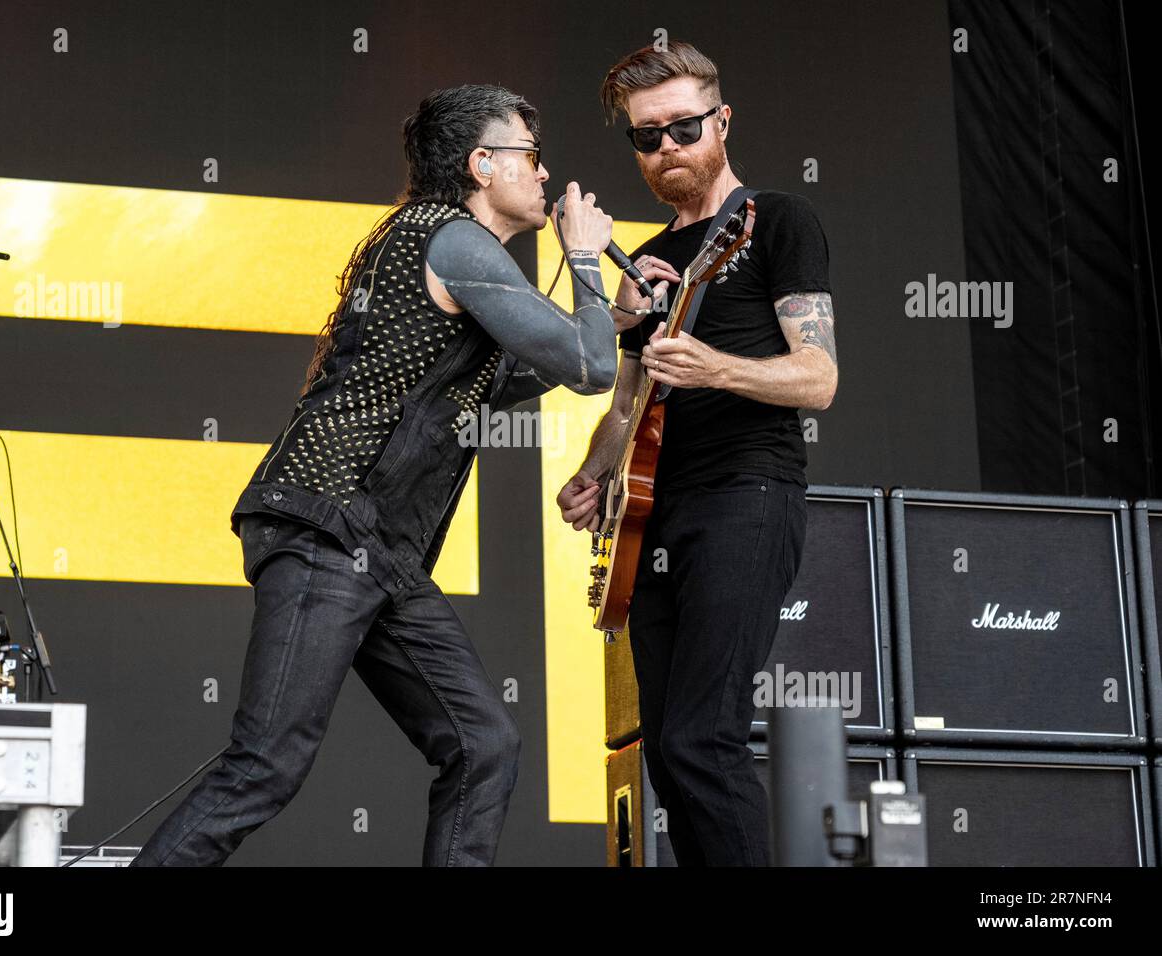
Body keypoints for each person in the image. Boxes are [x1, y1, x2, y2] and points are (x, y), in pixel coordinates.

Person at [132, 84, 618, 866]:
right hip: (330, 523)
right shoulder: (455, 241)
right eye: (529, 153)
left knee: (482, 745)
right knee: (263, 768)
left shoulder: (448, 247)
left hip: (377, 550)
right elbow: (592, 368)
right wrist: (586, 261)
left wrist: (608, 315)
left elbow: (506, 379)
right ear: (482, 164)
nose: (543, 171)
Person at [557, 41, 839, 866]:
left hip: (746, 497)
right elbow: (625, 404)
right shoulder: (646, 264)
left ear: (721, 120)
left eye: (683, 128)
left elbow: (819, 377)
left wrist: (716, 366)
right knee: (670, 757)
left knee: (701, 737)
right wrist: (593, 474)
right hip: (650, 519)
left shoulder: (777, 221)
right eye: (647, 137)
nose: (667, 148)